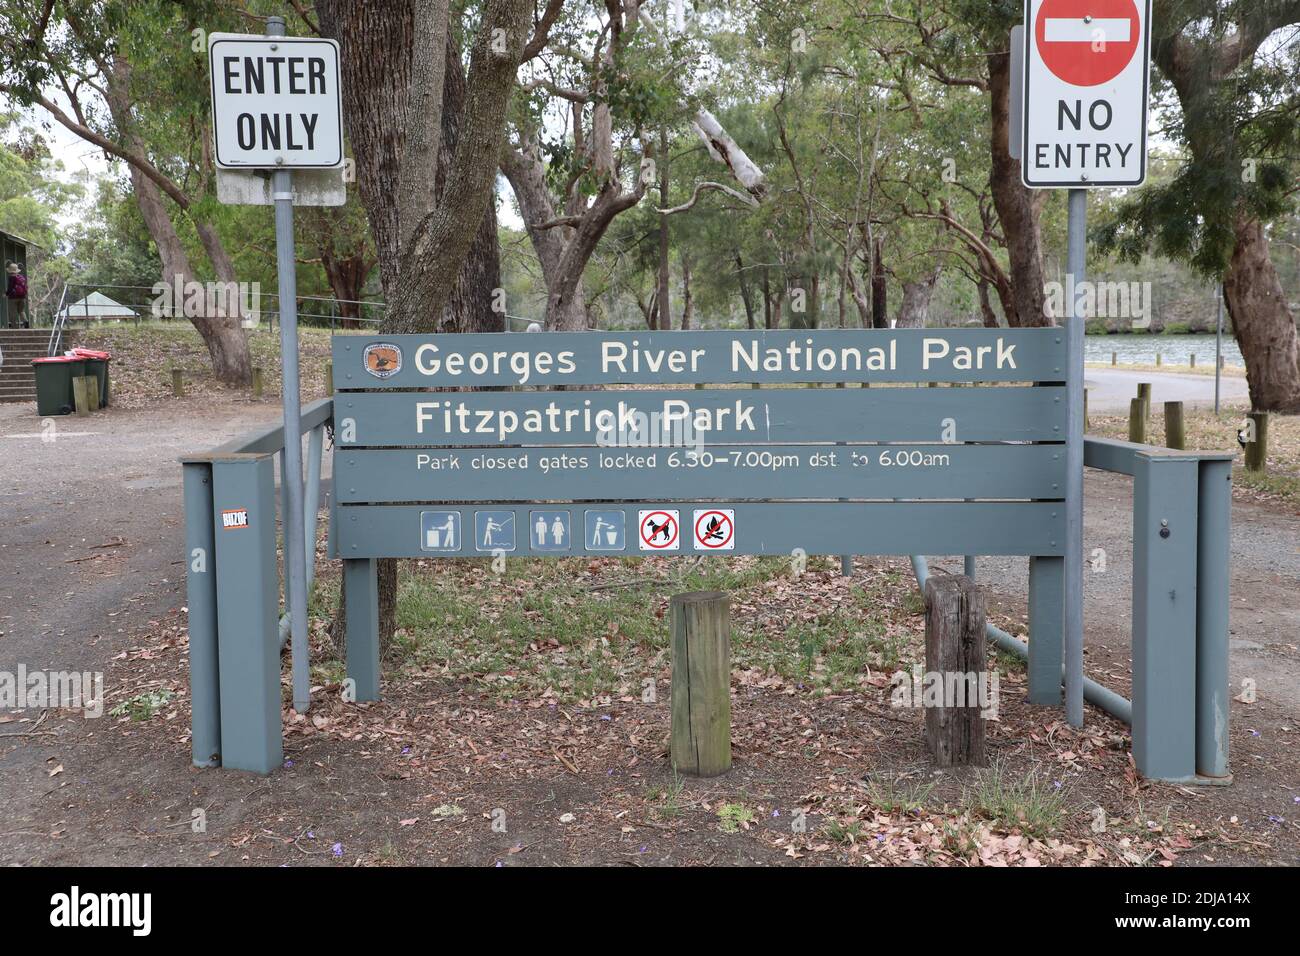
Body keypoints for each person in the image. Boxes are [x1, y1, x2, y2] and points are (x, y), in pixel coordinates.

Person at [5, 262, 29, 329]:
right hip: (22, 297)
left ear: (10, 271)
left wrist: (6, 294)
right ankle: (26, 322)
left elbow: (10, 288)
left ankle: (14, 327)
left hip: (13, 298)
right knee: (21, 311)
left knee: (13, 312)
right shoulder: (21, 277)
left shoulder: (11, 278)